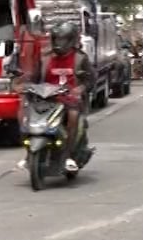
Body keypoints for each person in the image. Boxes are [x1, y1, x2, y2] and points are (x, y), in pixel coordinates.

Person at [25, 21, 93, 174]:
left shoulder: (80, 58)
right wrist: (26, 85)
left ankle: (68, 155)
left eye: (62, 39)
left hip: (70, 100)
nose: (59, 43)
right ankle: (28, 154)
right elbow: (34, 78)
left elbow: (90, 80)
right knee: (25, 112)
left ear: (71, 40)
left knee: (73, 116)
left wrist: (79, 89)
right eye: (56, 39)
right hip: (46, 99)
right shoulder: (45, 58)